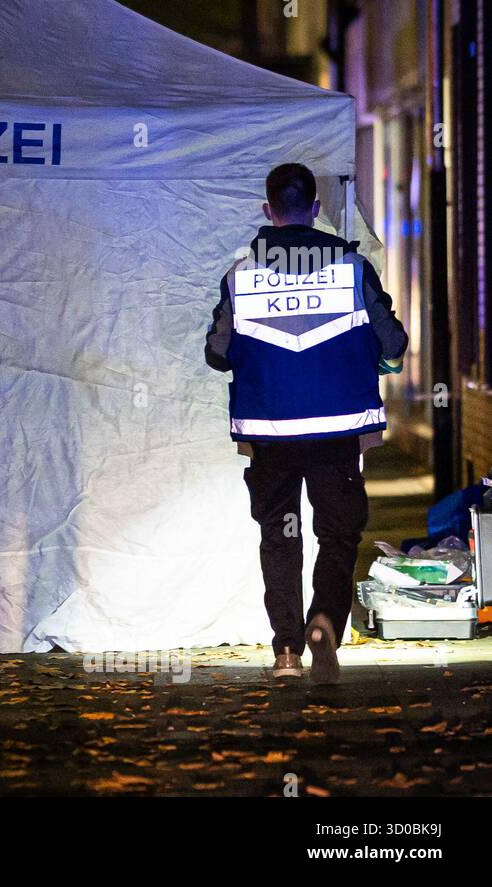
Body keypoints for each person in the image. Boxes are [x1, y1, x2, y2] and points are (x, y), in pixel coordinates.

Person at [205, 163, 408, 684]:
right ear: (317, 210)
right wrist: (376, 362)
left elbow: (218, 353)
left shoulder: (240, 275)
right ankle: (324, 623)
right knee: (338, 533)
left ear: (268, 210)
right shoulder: (352, 268)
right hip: (336, 434)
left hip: (269, 436)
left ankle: (287, 652)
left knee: (280, 538)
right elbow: (393, 345)